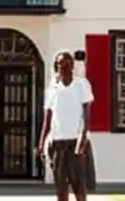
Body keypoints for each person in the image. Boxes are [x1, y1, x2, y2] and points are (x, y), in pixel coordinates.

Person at [38, 50, 95, 201]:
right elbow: (48, 118)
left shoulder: (81, 84)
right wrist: (42, 141)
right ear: (56, 67)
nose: (63, 67)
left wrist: (82, 138)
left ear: (72, 66)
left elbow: (86, 115)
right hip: (57, 142)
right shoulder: (52, 89)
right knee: (60, 187)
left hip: (75, 141)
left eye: (67, 64)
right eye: (60, 64)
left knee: (79, 186)